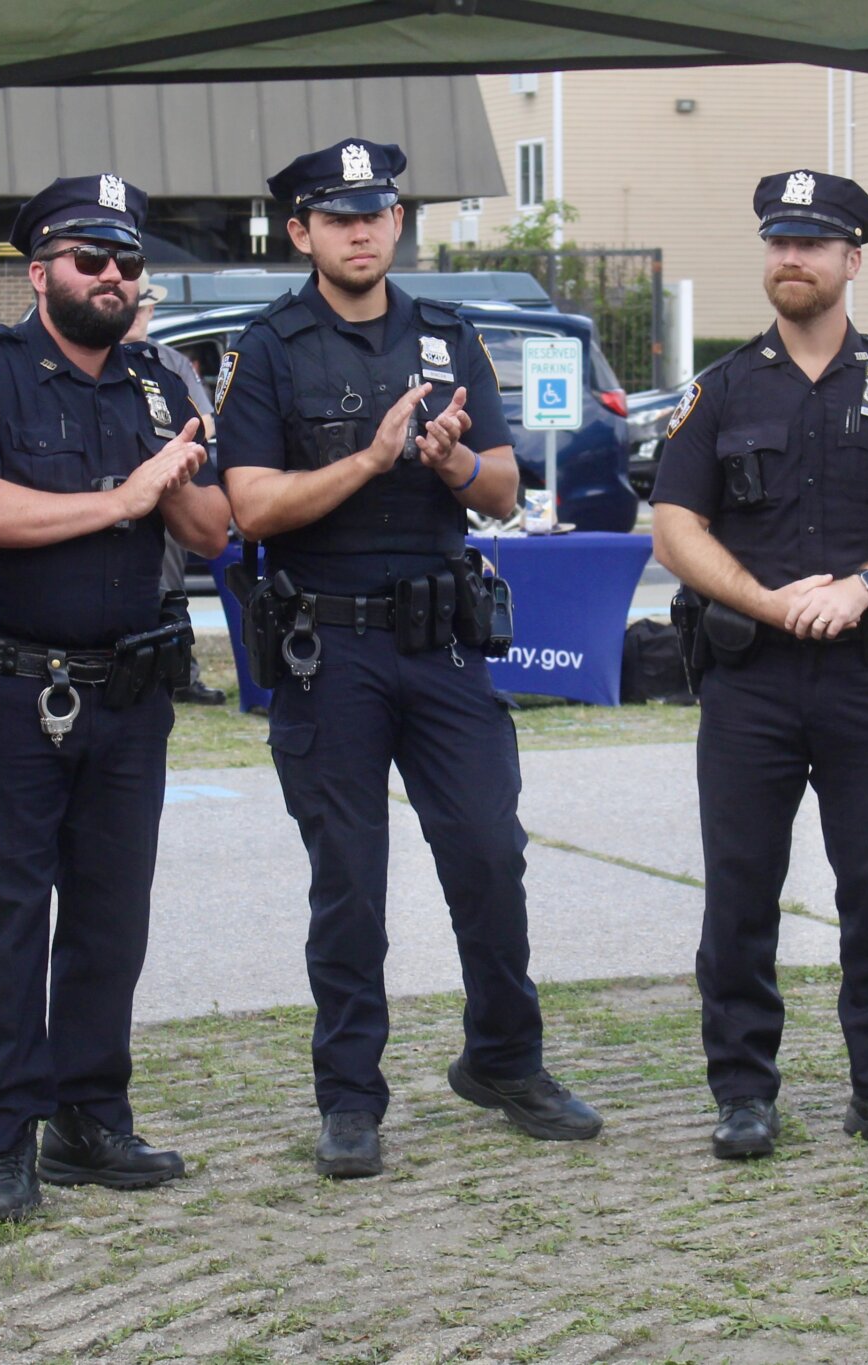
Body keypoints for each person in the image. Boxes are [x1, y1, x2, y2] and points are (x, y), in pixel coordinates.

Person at [218, 137, 602, 1178]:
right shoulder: (271, 348)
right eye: (337, 217)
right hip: (325, 649)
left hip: (439, 647)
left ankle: (502, 1061)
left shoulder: (446, 334)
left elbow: (504, 489)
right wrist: (370, 460)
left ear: (395, 223)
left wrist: (452, 462)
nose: (360, 230)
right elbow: (249, 506)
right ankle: (350, 1098)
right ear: (300, 232)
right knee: (347, 881)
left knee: (487, 851)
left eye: (375, 213)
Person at [0, 173, 231, 1221]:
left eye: (129, 262)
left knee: (107, 919)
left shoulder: (163, 381)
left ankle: (90, 1119)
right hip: (9, 690)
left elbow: (213, 533)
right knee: (7, 921)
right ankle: (3, 1138)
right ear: (39, 270)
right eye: (90, 259)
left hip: (131, 691)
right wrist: (119, 497)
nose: (113, 278)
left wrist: (174, 482)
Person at [651, 170, 868, 1163]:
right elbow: (672, 524)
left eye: (812, 243)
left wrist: (863, 585)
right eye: (777, 242)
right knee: (739, 893)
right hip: (750, 681)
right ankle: (742, 1092)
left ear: (850, 260)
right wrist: (762, 598)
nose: (790, 259)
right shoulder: (720, 389)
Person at [125, 280, 227, 706]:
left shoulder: (168, 363)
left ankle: (180, 671)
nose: (136, 316)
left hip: (166, 493)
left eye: (142, 309)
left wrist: (165, 455)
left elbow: (206, 422)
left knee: (168, 588)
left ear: (150, 313)